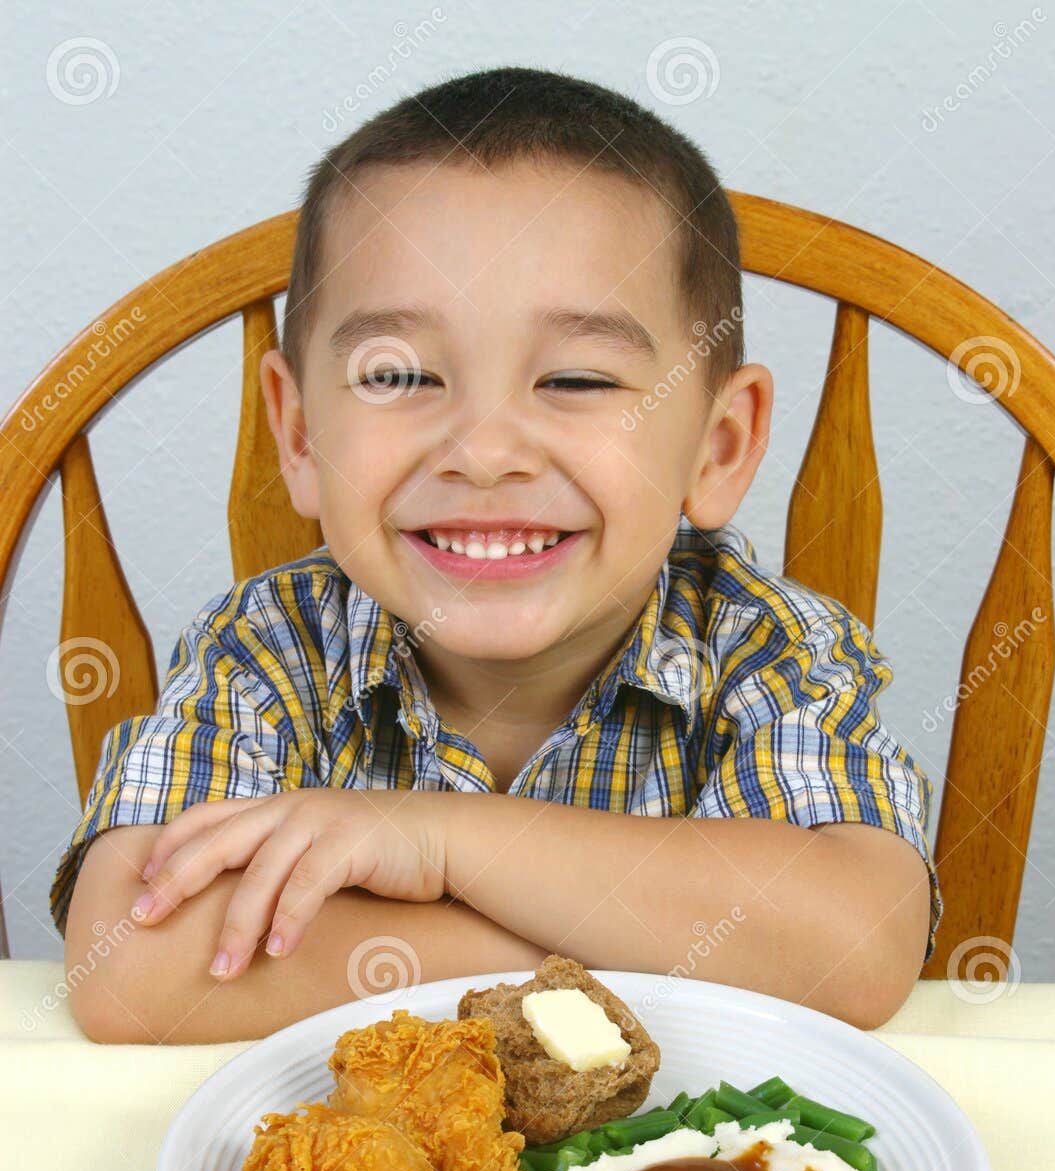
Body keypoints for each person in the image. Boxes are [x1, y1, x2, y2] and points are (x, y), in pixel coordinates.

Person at [55, 65, 939, 1044]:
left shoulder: (764, 646)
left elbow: (857, 947)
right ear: (299, 436)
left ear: (717, 447)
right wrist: (611, 961)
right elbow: (131, 968)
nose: (482, 452)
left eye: (576, 379)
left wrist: (440, 844)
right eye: (399, 375)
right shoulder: (272, 650)